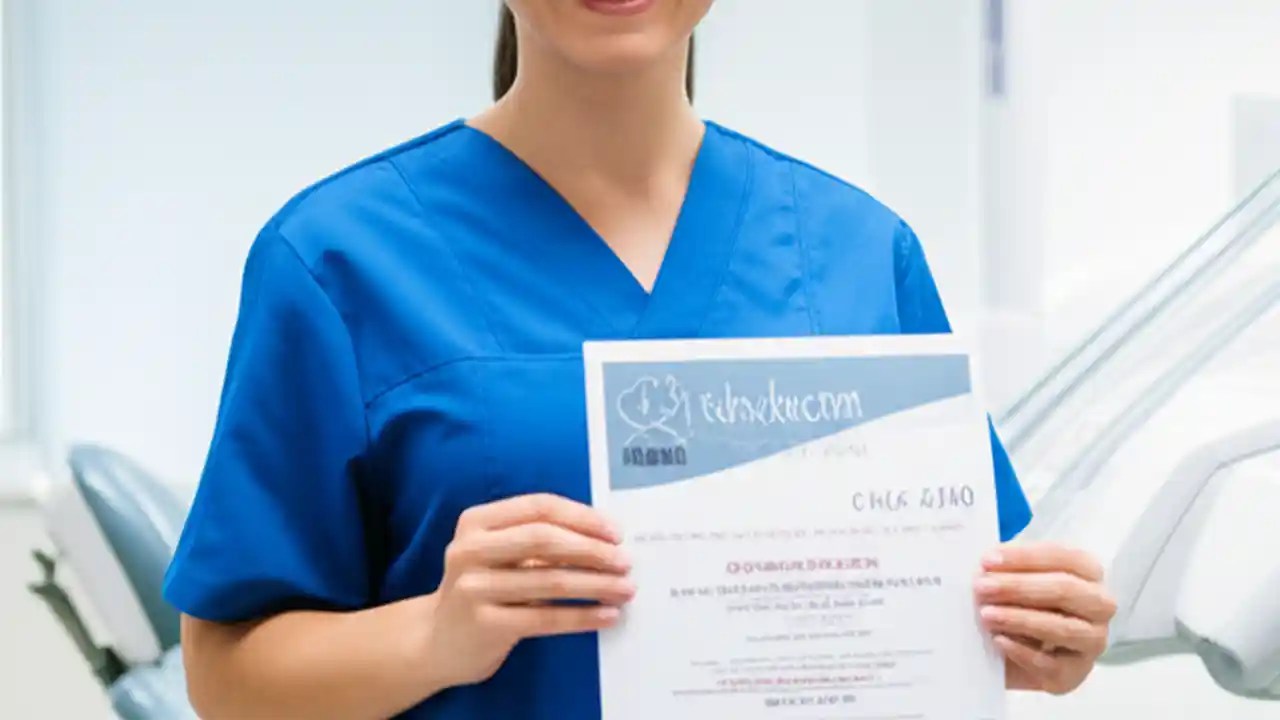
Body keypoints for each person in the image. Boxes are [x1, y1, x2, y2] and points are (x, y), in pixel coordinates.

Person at [163, 1, 1117, 718]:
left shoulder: (860, 253)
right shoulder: (338, 258)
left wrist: (1044, 637)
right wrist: (434, 635)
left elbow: (963, 613)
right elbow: (223, 673)